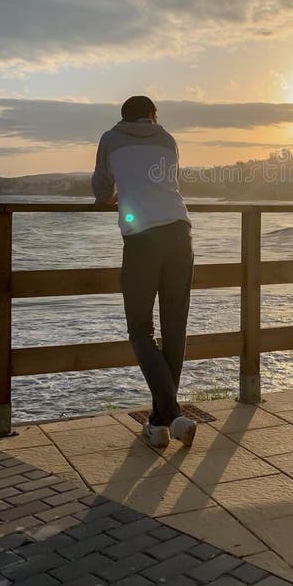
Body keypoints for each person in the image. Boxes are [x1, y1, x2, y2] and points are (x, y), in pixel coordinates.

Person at [91, 94, 196, 449]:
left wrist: (115, 196)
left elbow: (102, 189)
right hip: (179, 233)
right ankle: (161, 422)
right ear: (153, 116)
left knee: (139, 329)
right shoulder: (167, 139)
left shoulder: (110, 138)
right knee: (174, 328)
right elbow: (171, 183)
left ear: (123, 119)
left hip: (142, 240)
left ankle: (171, 415)